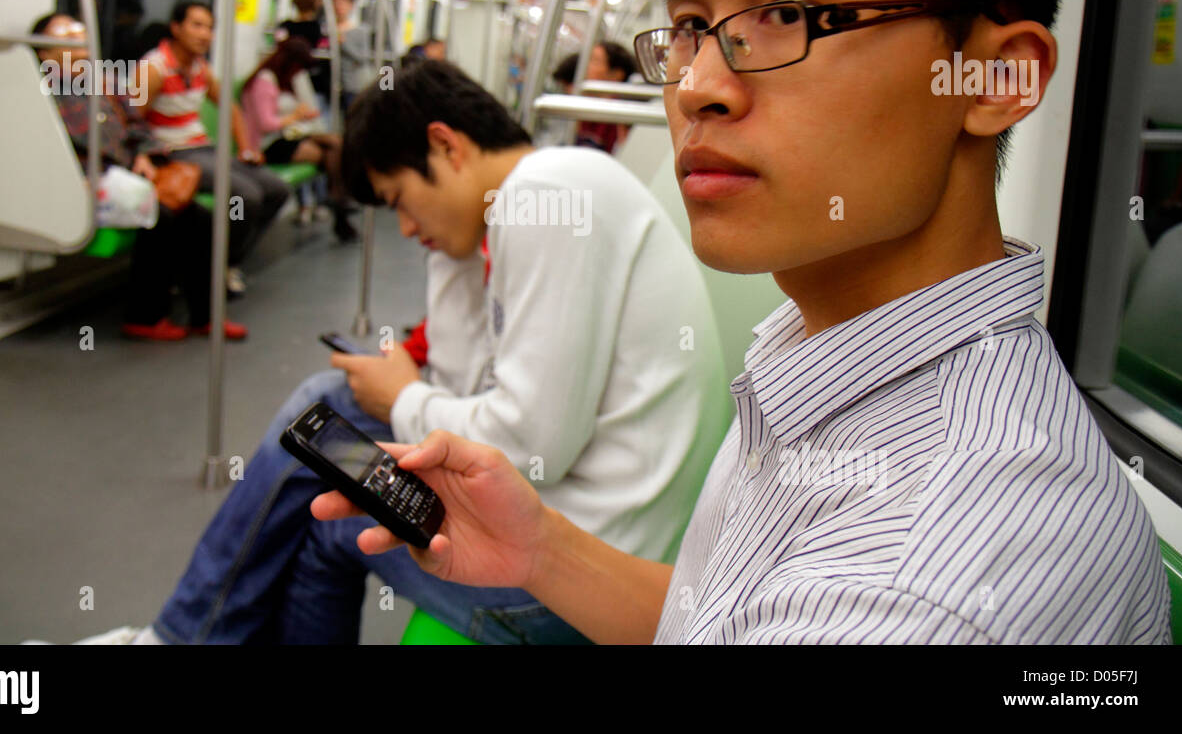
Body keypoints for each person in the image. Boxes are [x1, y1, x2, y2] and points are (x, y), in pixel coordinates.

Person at [310, 0, 1173, 644]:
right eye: (689, 25)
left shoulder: (918, 588)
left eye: (787, 14)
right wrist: (542, 551)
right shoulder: (828, 353)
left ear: (994, 77)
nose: (697, 88)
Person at [99, 60, 730, 644]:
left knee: (323, 411)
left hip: (586, 579)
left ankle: (177, 639)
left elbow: (529, 451)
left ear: (446, 146)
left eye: (400, 199)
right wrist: (447, 254)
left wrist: (401, 397)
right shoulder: (533, 197)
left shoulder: (552, 193)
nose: (404, 227)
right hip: (591, 541)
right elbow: (462, 386)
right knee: (323, 511)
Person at [31, 13, 246, 340]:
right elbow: (58, 146)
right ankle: (144, 316)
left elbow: (137, 125)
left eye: (81, 38)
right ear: (45, 53)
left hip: (127, 173)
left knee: (201, 218)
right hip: (88, 181)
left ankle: (205, 315)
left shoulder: (104, 81)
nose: (79, 48)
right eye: (68, 40)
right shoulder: (43, 93)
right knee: (162, 216)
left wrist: (144, 154)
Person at [136, 1, 290, 296]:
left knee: (276, 190)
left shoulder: (200, 68)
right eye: (196, 25)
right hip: (173, 153)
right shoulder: (154, 69)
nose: (205, 34)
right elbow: (132, 119)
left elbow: (231, 111)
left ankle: (227, 262)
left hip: (202, 148)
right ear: (176, 28)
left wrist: (246, 149)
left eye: (209, 27)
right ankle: (208, 269)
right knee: (246, 197)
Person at [241, 37, 357, 241]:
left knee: (336, 144)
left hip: (287, 137)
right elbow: (266, 124)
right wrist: (297, 116)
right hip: (269, 144)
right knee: (330, 152)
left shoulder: (283, 81)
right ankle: (338, 203)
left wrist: (300, 115)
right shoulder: (264, 83)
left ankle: (337, 201)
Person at [574, 41, 638, 155]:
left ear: (617, 74)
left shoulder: (620, 117)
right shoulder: (584, 105)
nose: (588, 66)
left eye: (595, 61)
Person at [326, 0, 372, 112]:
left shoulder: (360, 30)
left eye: (342, 2)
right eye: (335, 2)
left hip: (353, 85)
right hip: (330, 84)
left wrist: (343, 43)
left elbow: (363, 57)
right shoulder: (326, 29)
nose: (338, 6)